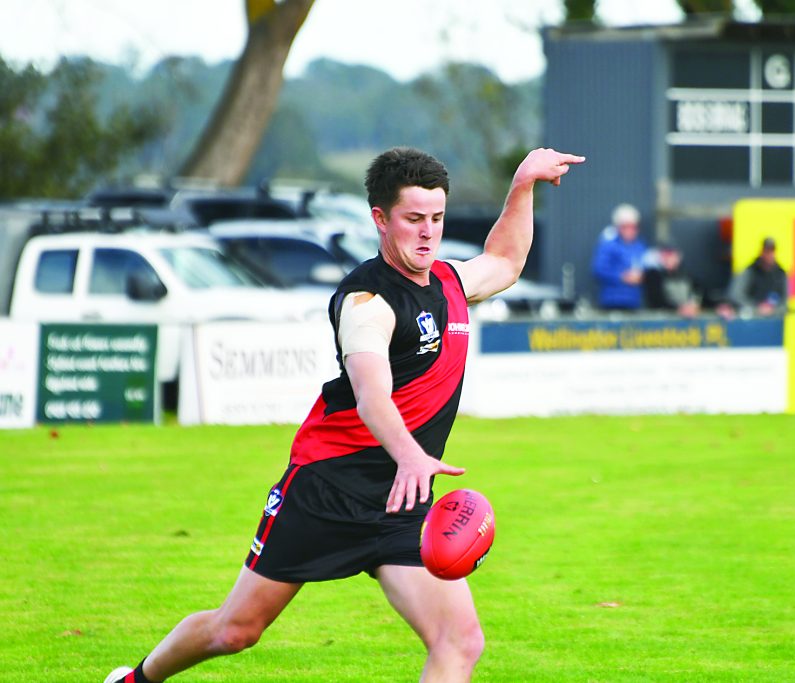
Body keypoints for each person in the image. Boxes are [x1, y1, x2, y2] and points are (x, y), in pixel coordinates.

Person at [104, 146, 585, 683]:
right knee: (236, 630)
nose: (428, 233)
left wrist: (521, 186)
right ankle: (135, 680)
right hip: (328, 488)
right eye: (413, 220)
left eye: (437, 219)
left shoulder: (449, 282)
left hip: (403, 500)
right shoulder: (366, 301)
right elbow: (370, 392)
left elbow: (506, 262)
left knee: (460, 640)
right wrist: (409, 455)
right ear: (380, 219)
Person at [591, 203, 647, 311]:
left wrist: (642, 276)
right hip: (612, 301)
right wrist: (622, 277)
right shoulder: (608, 245)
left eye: (633, 227)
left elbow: (645, 268)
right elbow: (598, 270)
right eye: (626, 226)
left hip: (634, 301)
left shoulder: (640, 245)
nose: (630, 230)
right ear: (618, 227)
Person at [716, 237, 788, 319]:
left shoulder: (780, 274)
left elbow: (785, 302)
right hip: (751, 318)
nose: (769, 255)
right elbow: (735, 294)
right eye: (767, 252)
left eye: (771, 252)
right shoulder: (751, 271)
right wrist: (756, 307)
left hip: (773, 321)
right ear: (762, 252)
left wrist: (773, 309)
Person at [641, 242, 701, 318]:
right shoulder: (653, 275)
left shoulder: (687, 276)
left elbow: (699, 294)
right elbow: (656, 301)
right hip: (661, 322)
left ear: (678, 257)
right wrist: (679, 308)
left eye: (670, 255)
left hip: (686, 323)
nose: (666, 258)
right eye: (663, 255)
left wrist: (694, 305)